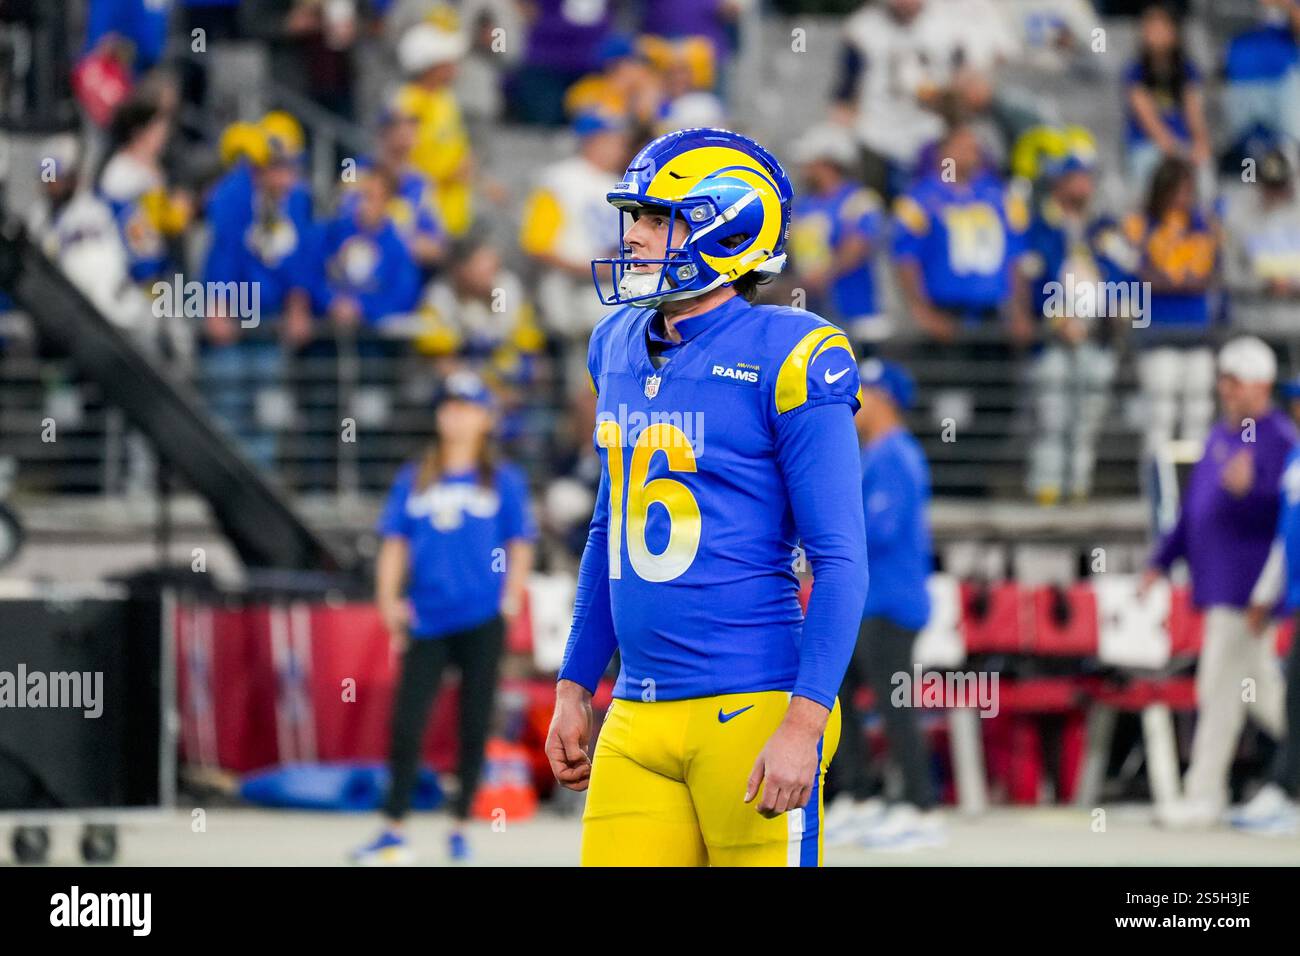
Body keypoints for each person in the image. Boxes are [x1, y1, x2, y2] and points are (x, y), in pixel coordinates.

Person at [545, 128, 870, 867]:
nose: (634, 236)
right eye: (635, 217)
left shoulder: (794, 352)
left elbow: (841, 561)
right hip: (635, 713)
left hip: (751, 705)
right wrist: (574, 681)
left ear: (731, 224)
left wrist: (803, 724)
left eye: (658, 218)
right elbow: (609, 532)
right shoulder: (616, 342)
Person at [353, 370, 537, 864]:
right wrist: (388, 598)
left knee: (474, 721)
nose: (454, 417)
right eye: (448, 407)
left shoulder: (503, 479)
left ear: (484, 418)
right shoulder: (415, 477)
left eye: (466, 407)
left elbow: (519, 542)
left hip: (481, 617)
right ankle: (393, 826)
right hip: (428, 618)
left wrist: (511, 598)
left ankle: (459, 825)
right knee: (407, 722)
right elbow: (395, 541)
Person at [1140, 336, 1295, 828]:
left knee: (1226, 691)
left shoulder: (1280, 439)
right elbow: (1195, 513)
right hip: (1221, 585)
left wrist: (1254, 494)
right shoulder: (1222, 436)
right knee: (1264, 694)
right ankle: (1217, 793)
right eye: (1223, 380)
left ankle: (1205, 795)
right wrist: (1160, 561)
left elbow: (1285, 523)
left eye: (1236, 381)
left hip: (1248, 589)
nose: (1226, 390)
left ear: (1260, 385)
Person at [824, 359, 942, 851]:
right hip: (870, 603)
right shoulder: (874, 454)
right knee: (841, 696)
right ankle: (859, 794)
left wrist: (826, 540)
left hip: (892, 604)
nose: (855, 405)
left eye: (864, 395)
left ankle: (920, 806)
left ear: (885, 399)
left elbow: (882, 528)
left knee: (896, 707)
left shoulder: (897, 455)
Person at [1013, 143, 1130, 504]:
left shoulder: (1102, 227)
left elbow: (1125, 271)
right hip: (1052, 340)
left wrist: (1122, 308)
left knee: (1086, 424)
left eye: (1086, 176)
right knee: (1053, 420)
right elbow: (1027, 276)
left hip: (1096, 336)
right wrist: (1053, 320)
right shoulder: (1040, 225)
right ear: (1059, 181)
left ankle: (1077, 490)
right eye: (1076, 176)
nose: (1084, 185)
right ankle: (1046, 493)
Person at [1124, 155, 1220, 458]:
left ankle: (1195, 494)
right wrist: (1172, 281)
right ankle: (1156, 492)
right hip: (1157, 329)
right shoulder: (1139, 224)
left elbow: (1211, 274)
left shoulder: (1203, 225)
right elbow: (1134, 272)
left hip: (1197, 328)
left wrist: (1172, 281)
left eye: (1187, 190)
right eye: (1177, 190)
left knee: (1198, 412)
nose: (1183, 198)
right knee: (1160, 416)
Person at [788, 123, 887, 342]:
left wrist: (825, 274)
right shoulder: (804, 204)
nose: (805, 169)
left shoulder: (859, 200)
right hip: (814, 310)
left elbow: (858, 245)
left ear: (827, 164)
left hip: (858, 311)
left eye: (811, 163)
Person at [1122, 4, 1211, 196]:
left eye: (1161, 27)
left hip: (1182, 146)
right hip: (1149, 147)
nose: (1153, 33)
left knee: (1204, 167)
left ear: (1174, 32)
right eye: (1150, 26)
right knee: (1152, 169)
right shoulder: (1134, 73)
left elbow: (1195, 116)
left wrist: (1200, 144)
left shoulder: (1188, 71)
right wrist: (1175, 152)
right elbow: (1149, 121)